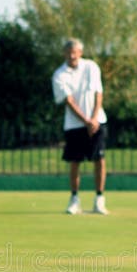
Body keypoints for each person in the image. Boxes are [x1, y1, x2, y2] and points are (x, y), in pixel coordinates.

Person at [52, 38, 109, 214]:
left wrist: (93, 119)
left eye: (74, 51)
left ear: (80, 52)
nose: (71, 55)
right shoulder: (59, 75)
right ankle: (74, 199)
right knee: (75, 162)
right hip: (74, 125)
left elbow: (98, 93)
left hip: (97, 121)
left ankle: (99, 199)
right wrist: (86, 121)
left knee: (99, 159)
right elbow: (69, 100)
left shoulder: (91, 67)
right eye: (68, 52)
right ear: (64, 53)